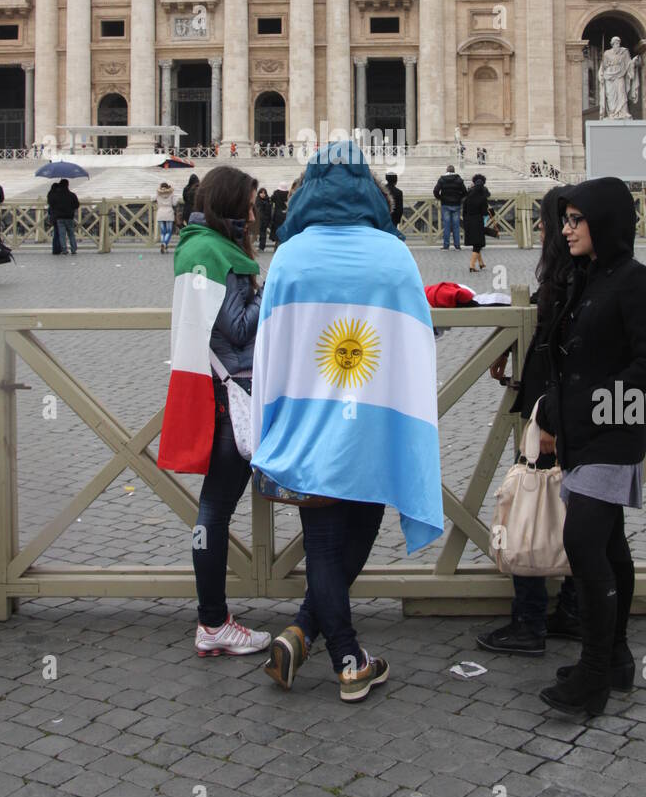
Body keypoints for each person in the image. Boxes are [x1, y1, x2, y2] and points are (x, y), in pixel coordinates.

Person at [254, 141, 442, 702]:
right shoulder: (393, 255)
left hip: (310, 418)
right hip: (375, 420)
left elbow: (271, 347)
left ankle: (305, 633)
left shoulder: (289, 255)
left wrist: (271, 421)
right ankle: (349, 659)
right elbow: (416, 337)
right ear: (368, 189)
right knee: (358, 526)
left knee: (325, 542)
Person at [537, 177, 646, 718]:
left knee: (585, 543)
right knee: (611, 546)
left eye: (575, 220)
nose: (565, 229)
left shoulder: (635, 279)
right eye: (564, 219)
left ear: (605, 223)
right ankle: (615, 659)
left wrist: (597, 399)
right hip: (579, 435)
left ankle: (593, 675)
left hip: (612, 433)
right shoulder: (586, 276)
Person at [157, 166, 270, 658]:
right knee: (215, 510)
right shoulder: (212, 253)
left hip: (226, 388)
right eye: (248, 204)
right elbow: (239, 328)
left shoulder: (203, 247)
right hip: (232, 394)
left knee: (214, 509)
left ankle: (213, 618)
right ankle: (212, 621)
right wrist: (277, 296)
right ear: (229, 204)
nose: (253, 213)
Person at [477, 188, 578, 656]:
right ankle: (573, 611)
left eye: (545, 221)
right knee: (573, 508)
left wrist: (553, 417)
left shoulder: (568, 275)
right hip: (558, 404)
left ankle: (530, 621)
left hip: (552, 409)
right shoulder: (572, 272)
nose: (540, 228)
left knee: (529, 503)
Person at [433, 164, 467, 251]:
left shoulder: (442, 179)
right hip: (456, 204)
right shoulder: (459, 180)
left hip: (446, 204)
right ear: (454, 171)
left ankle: (446, 246)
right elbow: (465, 192)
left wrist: (440, 198)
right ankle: (457, 246)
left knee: (447, 226)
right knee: (456, 226)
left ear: (446, 171)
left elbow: (436, 191)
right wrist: (459, 198)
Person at [463, 173, 489, 273]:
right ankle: (472, 265)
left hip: (468, 220)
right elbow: (484, 212)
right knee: (478, 243)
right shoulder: (482, 197)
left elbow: (464, 210)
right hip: (477, 221)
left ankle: (481, 263)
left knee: (476, 243)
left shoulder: (468, 196)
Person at [48, 178, 79, 254]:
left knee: (62, 234)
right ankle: (74, 249)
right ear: (67, 185)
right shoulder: (72, 195)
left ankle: (64, 250)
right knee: (71, 234)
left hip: (60, 217)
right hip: (69, 217)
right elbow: (77, 205)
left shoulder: (56, 195)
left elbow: (52, 204)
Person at [155, 182, 176, 253]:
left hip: (160, 212)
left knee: (162, 232)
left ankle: (163, 244)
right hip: (169, 212)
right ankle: (165, 243)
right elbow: (174, 203)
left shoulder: (158, 193)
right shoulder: (171, 193)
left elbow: (152, 199)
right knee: (169, 231)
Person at [255, 186, 272, 252]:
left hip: (265, 220)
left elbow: (269, 212)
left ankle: (262, 247)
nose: (263, 194)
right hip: (258, 220)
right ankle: (259, 246)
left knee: (263, 233)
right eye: (261, 193)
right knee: (258, 233)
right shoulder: (257, 200)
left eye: (264, 193)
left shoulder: (267, 201)